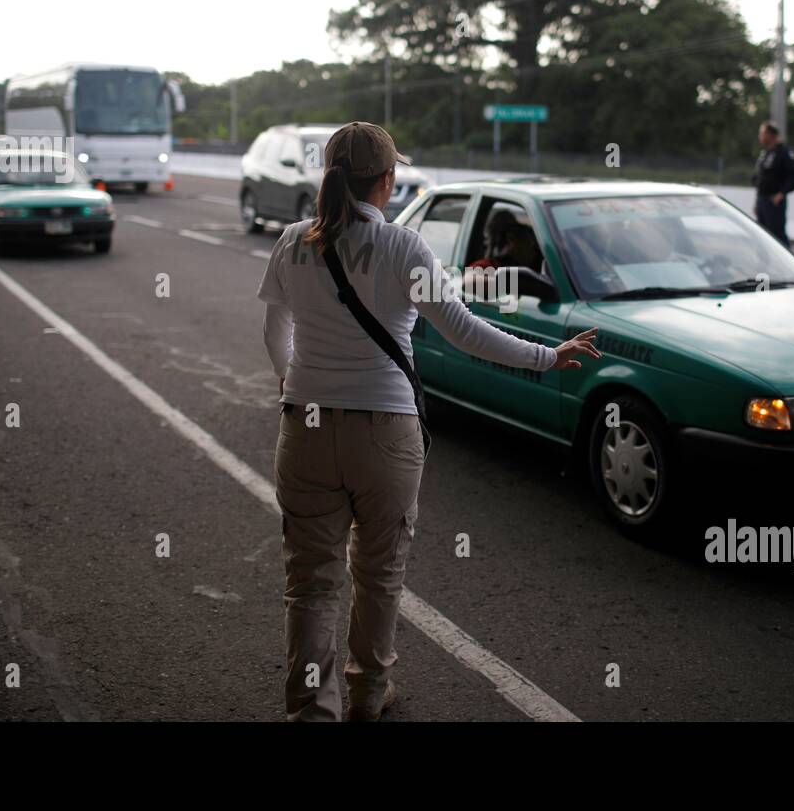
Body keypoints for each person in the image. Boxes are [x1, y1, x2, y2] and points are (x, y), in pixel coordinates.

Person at [256, 121, 600, 722]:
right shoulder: (404, 247)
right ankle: (367, 695)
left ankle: (312, 710)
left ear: (329, 175)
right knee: (379, 572)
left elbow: (273, 330)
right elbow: (465, 332)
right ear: (386, 181)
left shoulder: (292, 241)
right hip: (386, 434)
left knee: (311, 582)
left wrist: (292, 383)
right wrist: (550, 355)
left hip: (304, 429)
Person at [752, 121, 794, 246]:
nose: (760, 137)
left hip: (774, 201)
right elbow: (760, 179)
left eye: (762, 133)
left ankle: (787, 262)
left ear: (770, 135)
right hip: (763, 200)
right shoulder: (765, 154)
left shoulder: (784, 153)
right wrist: (757, 202)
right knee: (763, 235)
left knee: (777, 235)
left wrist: (781, 193)